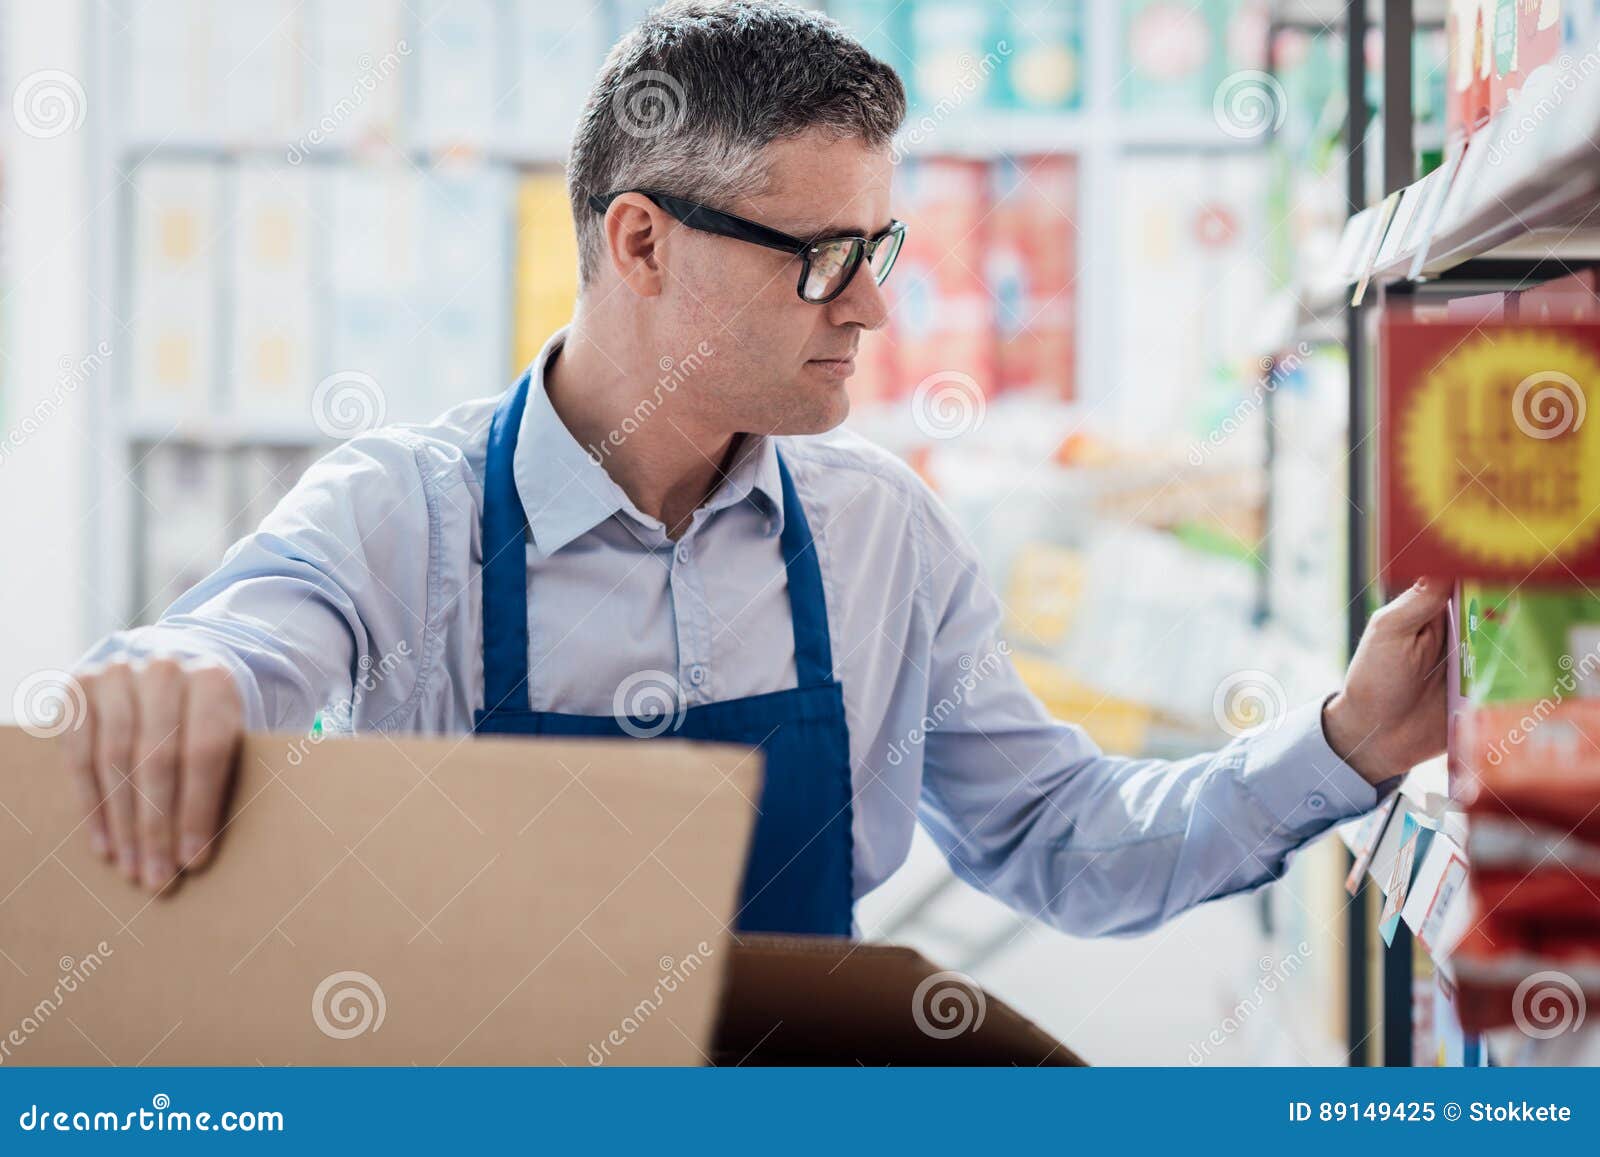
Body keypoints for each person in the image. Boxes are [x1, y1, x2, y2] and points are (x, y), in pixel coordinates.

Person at [62, 0, 1448, 936]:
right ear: (641, 243)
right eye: (825, 257)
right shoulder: (400, 516)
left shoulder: (881, 535)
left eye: (878, 249)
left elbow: (1059, 834)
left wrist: (1346, 744)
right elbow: (234, 647)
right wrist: (173, 682)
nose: (873, 307)